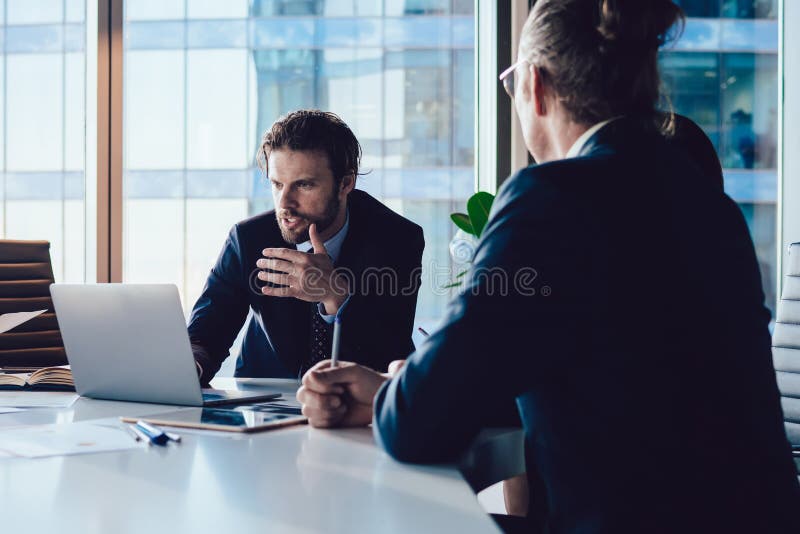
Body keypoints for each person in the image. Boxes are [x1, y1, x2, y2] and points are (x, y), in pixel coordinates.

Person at [297, 1, 800, 533]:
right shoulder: (710, 206)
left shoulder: (554, 197)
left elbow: (414, 427)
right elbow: (620, 384)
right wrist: (394, 388)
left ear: (534, 85)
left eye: (511, 84)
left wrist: (402, 388)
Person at [188, 110, 424, 383]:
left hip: (355, 398)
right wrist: (190, 366)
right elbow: (205, 335)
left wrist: (336, 297)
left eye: (304, 185)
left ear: (345, 183)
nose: (284, 203)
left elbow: (388, 351)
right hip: (264, 394)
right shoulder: (248, 239)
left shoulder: (397, 239)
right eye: (277, 184)